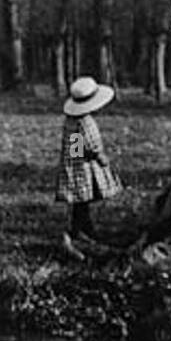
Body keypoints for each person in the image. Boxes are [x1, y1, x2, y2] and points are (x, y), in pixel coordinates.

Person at [56, 76, 123, 259]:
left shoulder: (71, 120)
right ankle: (81, 229)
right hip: (82, 167)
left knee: (82, 199)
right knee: (82, 199)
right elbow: (89, 146)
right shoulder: (85, 122)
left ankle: (82, 228)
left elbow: (75, 147)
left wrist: (81, 153)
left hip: (77, 163)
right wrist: (99, 156)